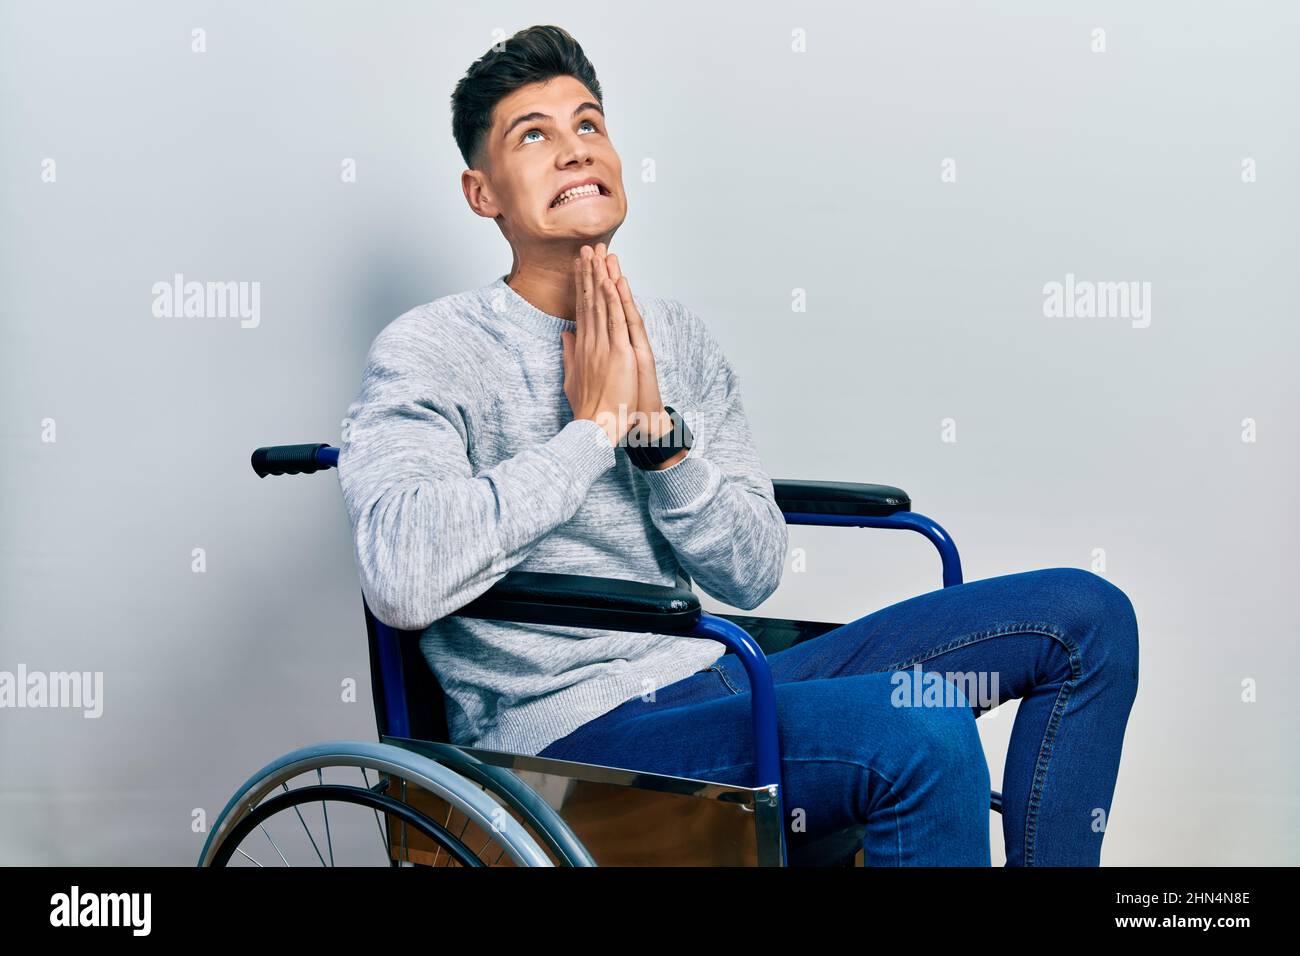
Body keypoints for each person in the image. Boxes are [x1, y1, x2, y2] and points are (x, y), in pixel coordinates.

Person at [338, 24, 1139, 866]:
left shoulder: (677, 339)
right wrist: (593, 433)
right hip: (576, 734)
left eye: (588, 124)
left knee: (1085, 618)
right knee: (920, 721)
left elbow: (752, 573)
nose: (574, 151)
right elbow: (402, 575)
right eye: (532, 134)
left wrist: (659, 447)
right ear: (482, 193)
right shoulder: (431, 347)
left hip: (721, 678)